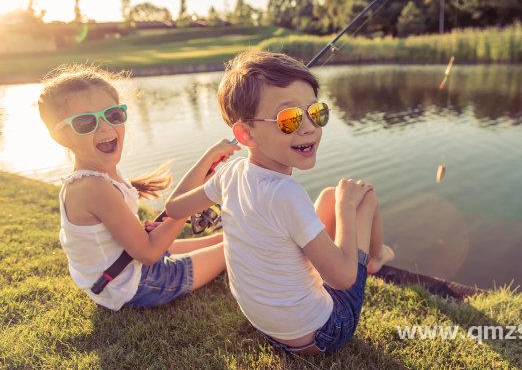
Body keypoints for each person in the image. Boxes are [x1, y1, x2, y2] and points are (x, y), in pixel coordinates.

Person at [165, 51, 395, 353]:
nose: (309, 127)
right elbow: (341, 279)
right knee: (362, 197)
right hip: (320, 334)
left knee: (327, 195)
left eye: (315, 111)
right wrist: (345, 207)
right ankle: (375, 258)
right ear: (246, 133)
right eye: (290, 119)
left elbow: (173, 208)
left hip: (267, 325)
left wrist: (209, 158)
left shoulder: (231, 173)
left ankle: (372, 254)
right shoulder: (286, 194)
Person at [38, 64, 234, 310]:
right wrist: (191, 203)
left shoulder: (100, 174)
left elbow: (156, 227)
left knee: (228, 237)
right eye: (86, 122)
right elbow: (150, 253)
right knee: (237, 246)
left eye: (113, 115)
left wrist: (207, 158)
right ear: (60, 135)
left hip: (124, 269)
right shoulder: (92, 187)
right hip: (136, 285)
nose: (105, 127)